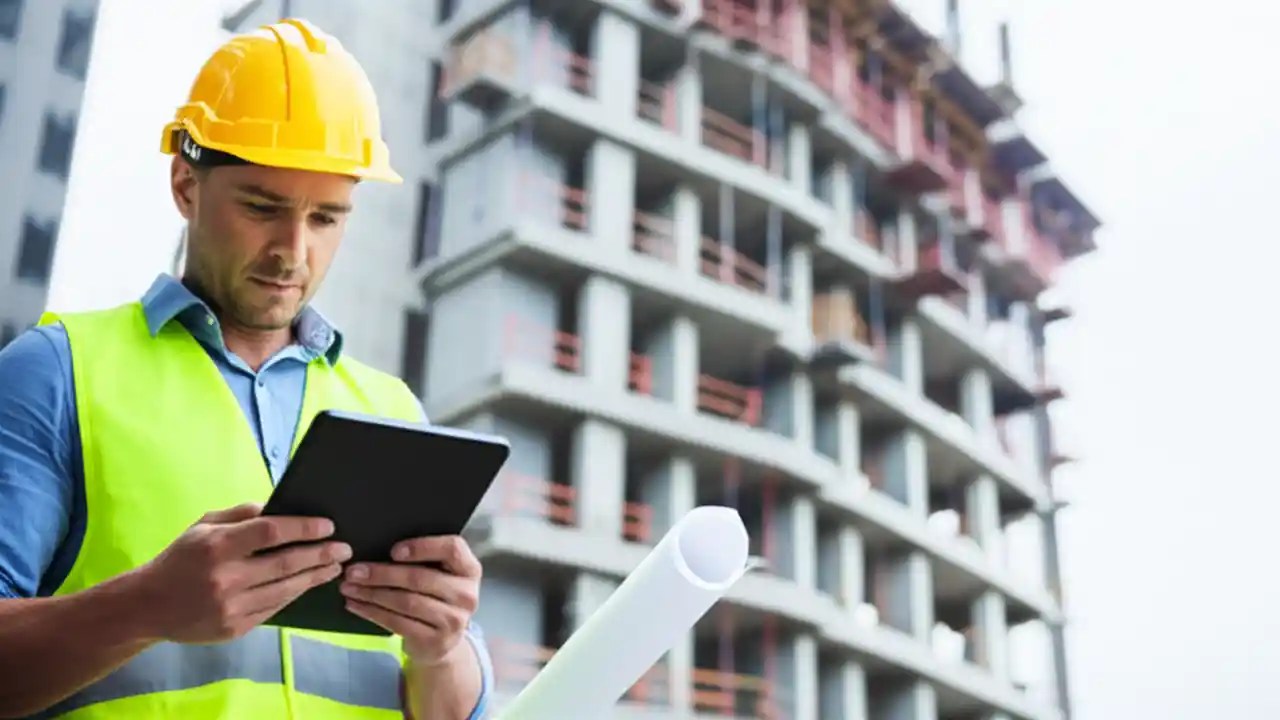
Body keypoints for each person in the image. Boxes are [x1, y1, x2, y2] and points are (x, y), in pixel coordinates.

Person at [0, 18, 494, 719]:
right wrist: (146, 606)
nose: (293, 251)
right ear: (185, 185)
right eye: (263, 208)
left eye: (326, 218)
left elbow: (451, 710)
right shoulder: (58, 374)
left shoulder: (393, 412)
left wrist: (440, 650)